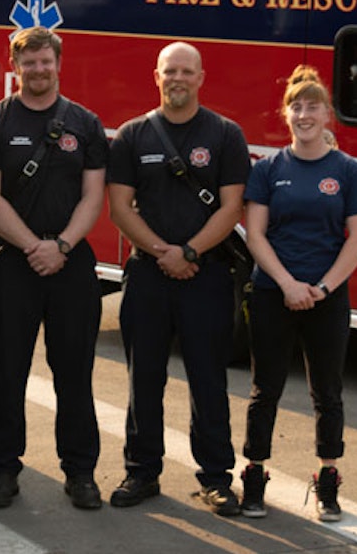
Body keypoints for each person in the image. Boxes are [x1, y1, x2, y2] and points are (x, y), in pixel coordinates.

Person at [106, 41, 250, 516]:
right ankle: (141, 471)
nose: (178, 79)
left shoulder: (226, 135)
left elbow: (232, 208)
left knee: (208, 381)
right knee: (142, 379)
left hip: (205, 276)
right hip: (148, 275)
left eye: (187, 72)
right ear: (157, 76)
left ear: (201, 78)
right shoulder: (132, 136)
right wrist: (162, 253)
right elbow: (119, 208)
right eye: (170, 71)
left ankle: (215, 479)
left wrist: (189, 252)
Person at [0, 26, 108, 510]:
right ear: (15, 67)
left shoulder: (85, 123)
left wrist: (62, 245)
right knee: (8, 371)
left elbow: (95, 196)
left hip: (70, 264)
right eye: (28, 62)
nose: (38, 70)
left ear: (59, 63)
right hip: (13, 262)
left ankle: (81, 472)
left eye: (46, 61)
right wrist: (34, 246)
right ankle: (3, 470)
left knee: (75, 371)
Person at [237, 66, 357, 522]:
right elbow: (255, 235)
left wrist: (320, 288)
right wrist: (288, 284)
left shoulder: (349, 171)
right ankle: (253, 477)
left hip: (326, 298)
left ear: (327, 114)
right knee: (265, 389)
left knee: (327, 393)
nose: (304, 114)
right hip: (273, 293)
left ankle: (328, 480)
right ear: (285, 114)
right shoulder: (269, 169)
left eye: (313, 106)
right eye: (296, 106)